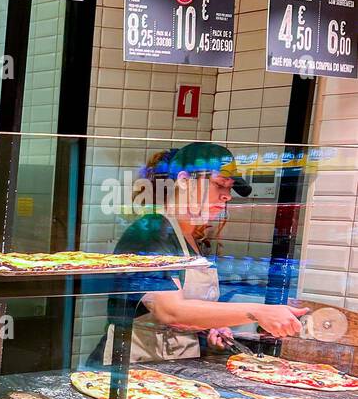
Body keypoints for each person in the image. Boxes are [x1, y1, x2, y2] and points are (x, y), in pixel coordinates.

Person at [94, 142, 307, 364]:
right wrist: (258, 311)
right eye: (219, 185)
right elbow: (170, 311)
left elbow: (185, 312)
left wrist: (208, 325)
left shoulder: (193, 239)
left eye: (230, 188)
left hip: (174, 367)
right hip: (132, 367)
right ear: (185, 181)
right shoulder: (151, 232)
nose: (228, 196)